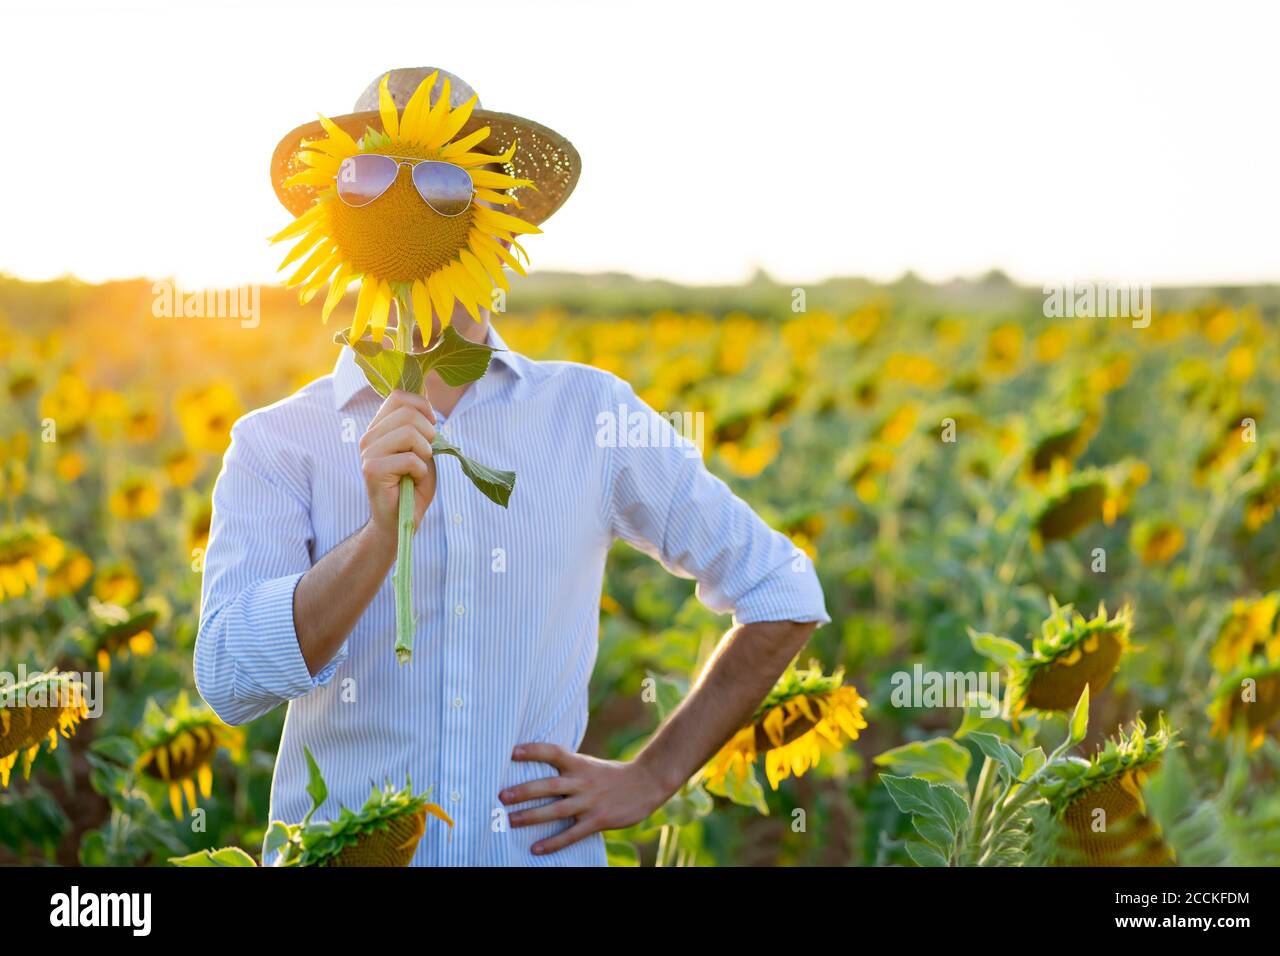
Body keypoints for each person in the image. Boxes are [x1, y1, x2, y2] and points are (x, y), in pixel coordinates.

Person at [195, 67, 830, 865]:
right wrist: (378, 543)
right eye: (363, 181)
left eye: (443, 181)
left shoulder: (588, 415)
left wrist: (653, 776)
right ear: (334, 213)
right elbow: (228, 681)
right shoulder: (278, 443)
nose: (404, 204)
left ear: (498, 211)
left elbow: (782, 589)